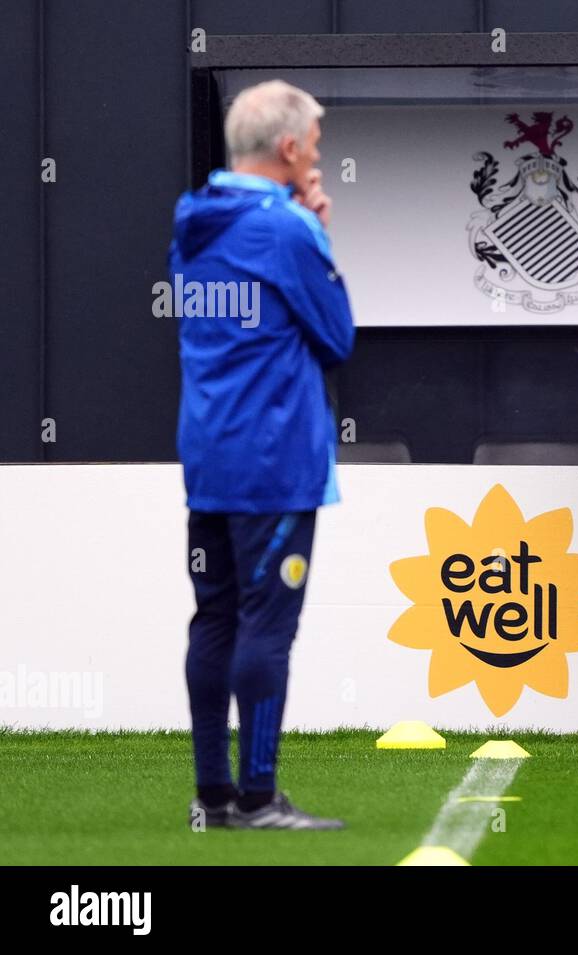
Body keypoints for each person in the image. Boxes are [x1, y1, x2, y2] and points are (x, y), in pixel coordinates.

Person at [171, 80, 355, 829]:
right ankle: (257, 795)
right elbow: (338, 337)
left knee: (212, 620)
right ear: (287, 148)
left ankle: (212, 796)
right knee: (266, 625)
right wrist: (317, 224)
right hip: (276, 459)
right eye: (312, 143)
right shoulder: (284, 229)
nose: (317, 155)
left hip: (208, 454)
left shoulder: (193, 221)